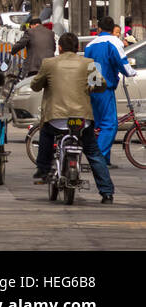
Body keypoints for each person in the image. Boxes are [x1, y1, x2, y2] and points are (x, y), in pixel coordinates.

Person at [31, 33, 114, 202]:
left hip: (56, 119)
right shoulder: (89, 63)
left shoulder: (49, 63)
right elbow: (100, 85)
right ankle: (106, 192)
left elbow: (35, 85)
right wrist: (89, 88)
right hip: (81, 120)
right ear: (78, 48)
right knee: (93, 152)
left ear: (59, 47)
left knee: (46, 135)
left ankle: (43, 169)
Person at [84, 18, 136, 167]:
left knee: (98, 124)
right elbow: (122, 62)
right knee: (110, 124)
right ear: (112, 28)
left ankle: (103, 159)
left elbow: (88, 66)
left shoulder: (90, 45)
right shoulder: (114, 42)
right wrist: (131, 73)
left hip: (93, 85)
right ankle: (99, 158)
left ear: (99, 29)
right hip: (105, 87)